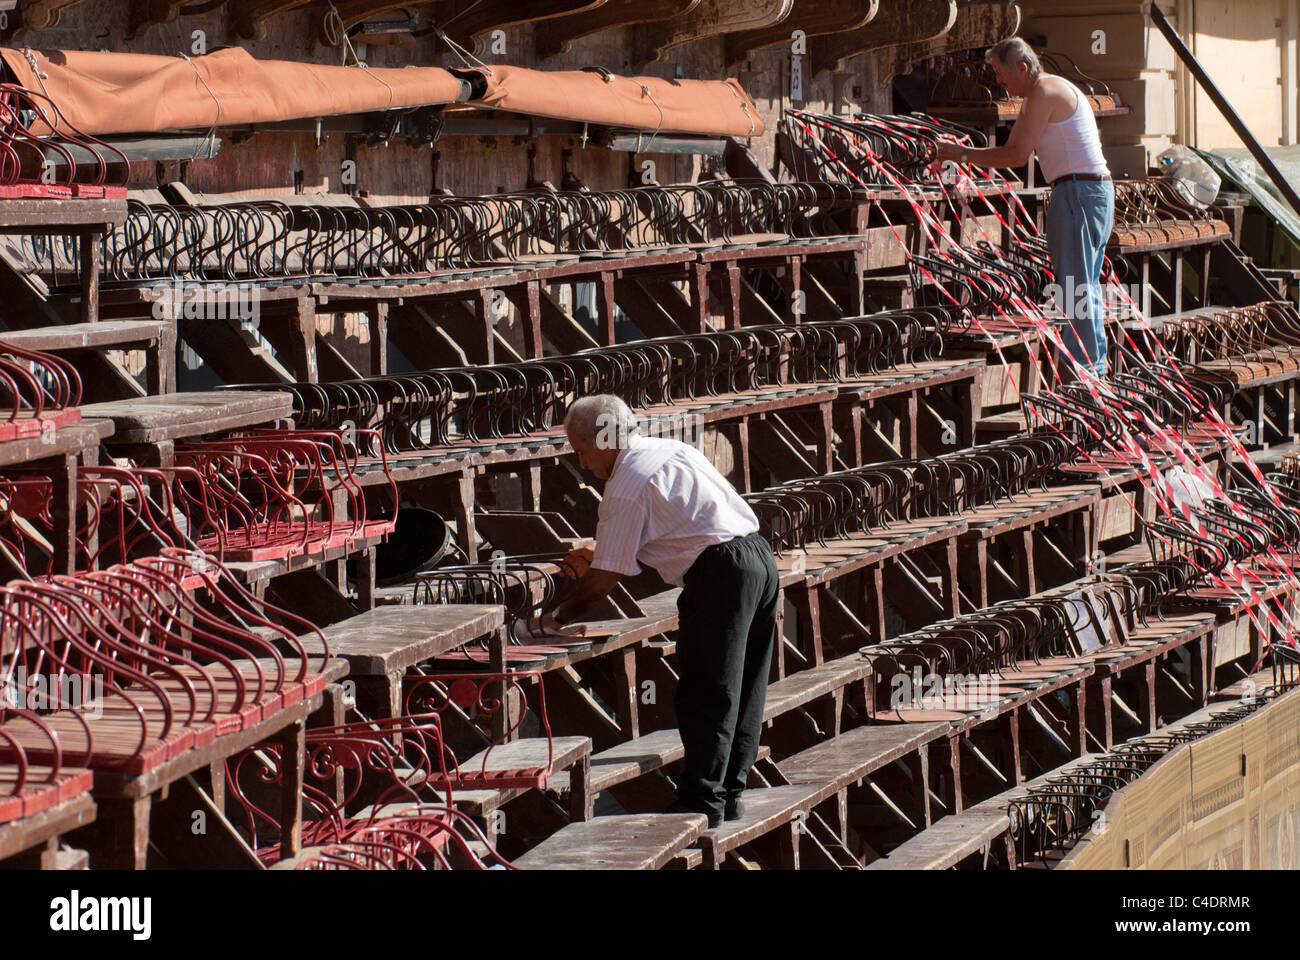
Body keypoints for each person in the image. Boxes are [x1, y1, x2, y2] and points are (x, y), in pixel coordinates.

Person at [536, 395, 779, 828]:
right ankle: (730, 794)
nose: (583, 462)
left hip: (719, 574)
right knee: (743, 687)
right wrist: (602, 549)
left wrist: (554, 618)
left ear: (603, 439)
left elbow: (606, 578)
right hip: (758, 558)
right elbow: (675, 525)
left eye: (581, 449)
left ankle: (702, 802)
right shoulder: (672, 450)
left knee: (707, 691)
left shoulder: (625, 484)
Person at [935, 36, 1115, 378]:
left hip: (1079, 192)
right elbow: (1012, 148)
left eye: (1002, 74)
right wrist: (962, 154)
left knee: (1077, 287)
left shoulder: (1043, 93)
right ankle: (1091, 370)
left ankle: (1087, 375)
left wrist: (958, 154)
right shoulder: (1043, 92)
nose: (999, 82)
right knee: (1081, 286)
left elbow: (1016, 156)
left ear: (1021, 67)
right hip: (1085, 192)